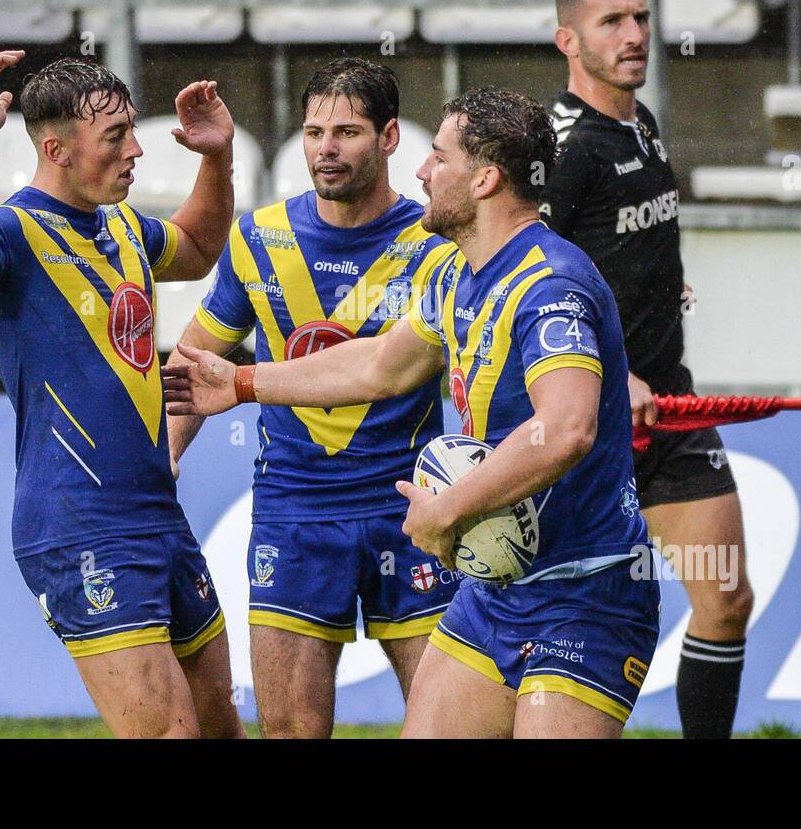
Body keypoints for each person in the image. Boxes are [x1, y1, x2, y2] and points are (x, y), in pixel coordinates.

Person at [166, 87, 659, 739]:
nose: (423, 172)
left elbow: (564, 429)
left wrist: (449, 508)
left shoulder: (549, 284)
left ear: (483, 179)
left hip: (585, 592)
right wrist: (244, 381)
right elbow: (379, 365)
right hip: (495, 590)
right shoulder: (456, 274)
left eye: (439, 156)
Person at [0, 52, 244, 739]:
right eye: (116, 135)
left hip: (158, 514)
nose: (137, 148)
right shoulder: (12, 233)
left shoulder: (122, 228)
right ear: (55, 149)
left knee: (219, 728)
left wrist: (217, 157)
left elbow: (201, 247)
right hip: (80, 528)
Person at [165, 58, 457, 738]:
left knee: (452, 726)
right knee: (292, 731)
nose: (326, 148)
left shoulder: (435, 245)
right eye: (314, 130)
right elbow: (193, 364)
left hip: (412, 511)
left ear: (389, 138)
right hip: (293, 513)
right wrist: (165, 460)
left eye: (348, 131)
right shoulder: (260, 239)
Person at [541, 0, 753, 739]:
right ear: (569, 38)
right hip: (584, 422)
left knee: (725, 597)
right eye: (611, 22)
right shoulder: (566, 149)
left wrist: (665, 287)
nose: (635, 36)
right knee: (561, 624)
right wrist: (615, 369)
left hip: (674, 407)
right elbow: (527, 277)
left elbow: (618, 247)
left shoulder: (641, 122)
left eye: (641, 18)